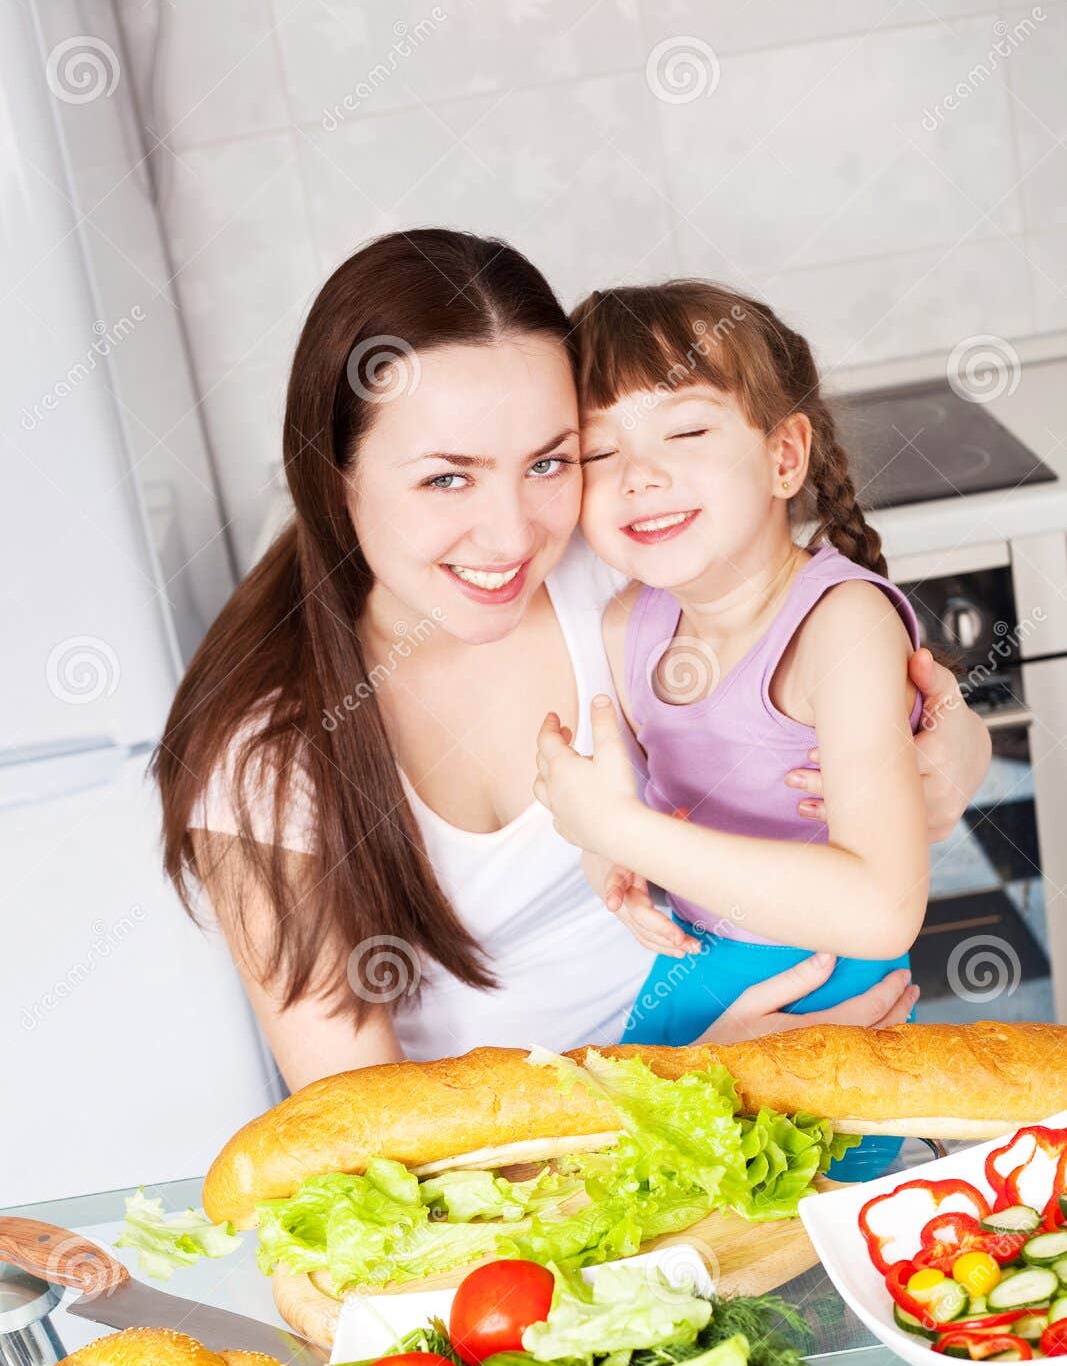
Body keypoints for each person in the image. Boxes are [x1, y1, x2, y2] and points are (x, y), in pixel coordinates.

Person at [154, 231, 990, 1101]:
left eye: (549, 462)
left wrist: (947, 745)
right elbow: (363, 1145)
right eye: (447, 479)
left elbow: (814, 654)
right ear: (335, 480)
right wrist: (688, 1081)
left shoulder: (618, 575)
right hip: (546, 1200)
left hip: (796, 1096)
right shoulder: (268, 763)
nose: (513, 536)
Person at [533, 280, 940, 1175]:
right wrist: (615, 862)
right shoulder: (623, 626)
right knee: (658, 1227)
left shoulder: (840, 627)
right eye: (599, 453)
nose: (640, 475)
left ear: (783, 456)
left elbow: (880, 911)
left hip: (825, 996)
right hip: (692, 980)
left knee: (796, 1244)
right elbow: (641, 808)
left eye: (685, 431)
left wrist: (617, 828)